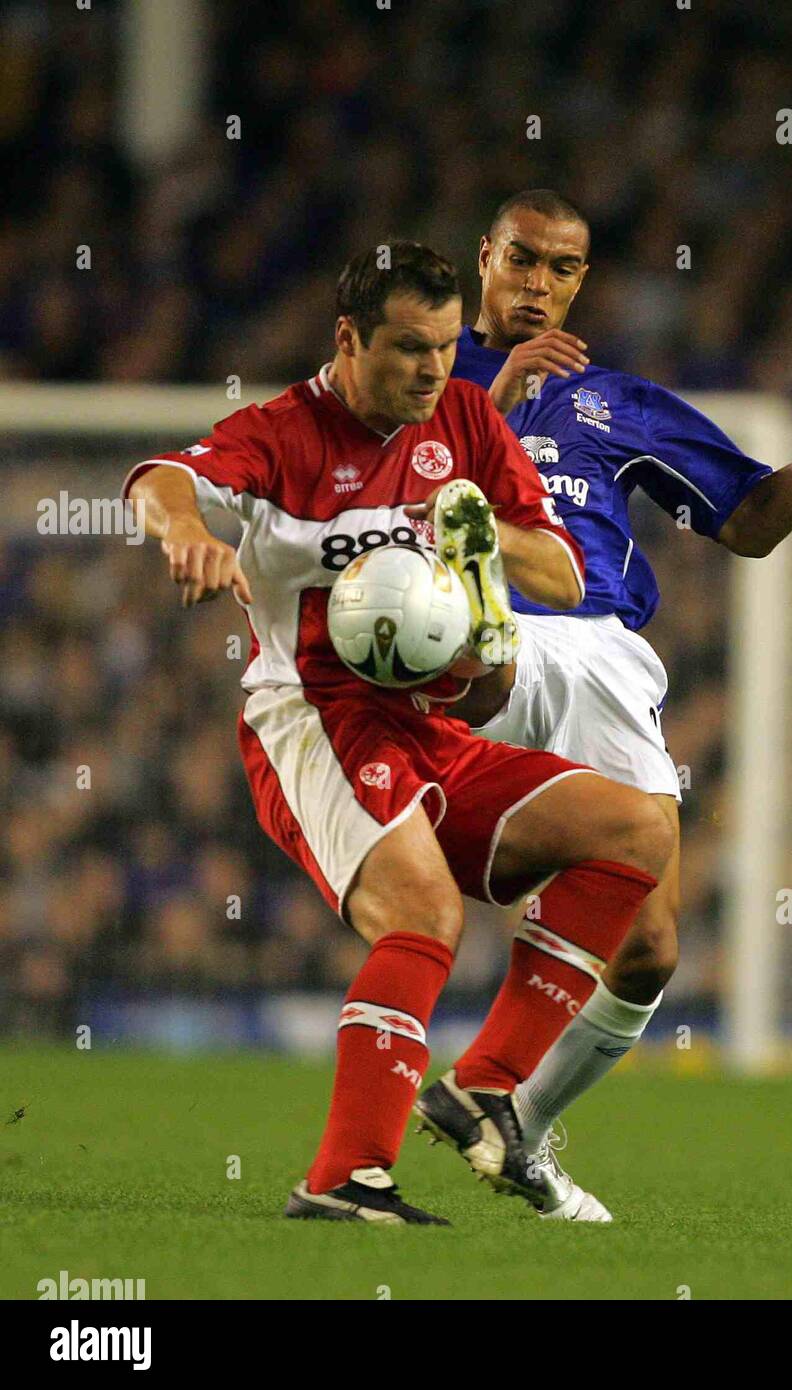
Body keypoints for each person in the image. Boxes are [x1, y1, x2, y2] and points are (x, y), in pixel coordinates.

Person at [419, 189, 792, 1219]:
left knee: (652, 944)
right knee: (465, 685)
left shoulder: (617, 405)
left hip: (600, 654)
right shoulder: (418, 374)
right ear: (480, 258)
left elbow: (747, 526)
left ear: (583, 279)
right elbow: (358, 471)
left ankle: (510, 1117)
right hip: (472, 632)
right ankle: (468, 649)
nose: (537, 284)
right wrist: (485, 401)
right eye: (520, 260)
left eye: (560, 268)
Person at [122, 241, 674, 1225]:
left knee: (636, 830)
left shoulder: (462, 416)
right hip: (312, 716)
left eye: (446, 345)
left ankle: (486, 1086)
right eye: (410, 348)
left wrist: (473, 532)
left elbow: (557, 570)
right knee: (422, 910)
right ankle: (344, 1179)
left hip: (428, 727)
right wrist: (188, 536)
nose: (432, 370)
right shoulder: (281, 430)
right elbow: (160, 479)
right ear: (347, 340)